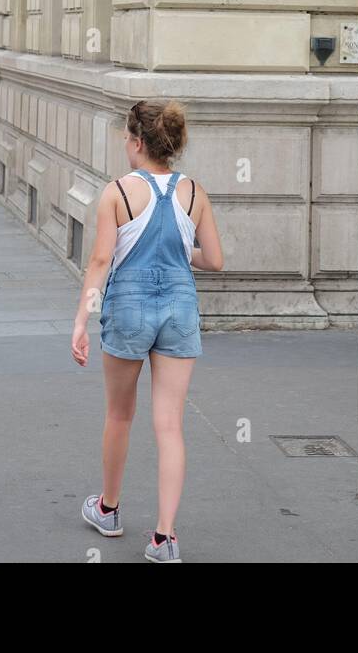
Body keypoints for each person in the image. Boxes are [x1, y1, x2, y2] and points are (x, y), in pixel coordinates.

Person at [71, 99, 223, 564]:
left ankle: (110, 508)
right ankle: (164, 538)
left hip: (129, 307)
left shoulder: (116, 192)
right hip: (179, 306)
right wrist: (181, 252)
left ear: (137, 143)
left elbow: (100, 262)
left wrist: (81, 319)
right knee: (170, 424)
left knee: (119, 414)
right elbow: (213, 259)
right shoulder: (194, 192)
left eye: (125, 137)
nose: (125, 144)